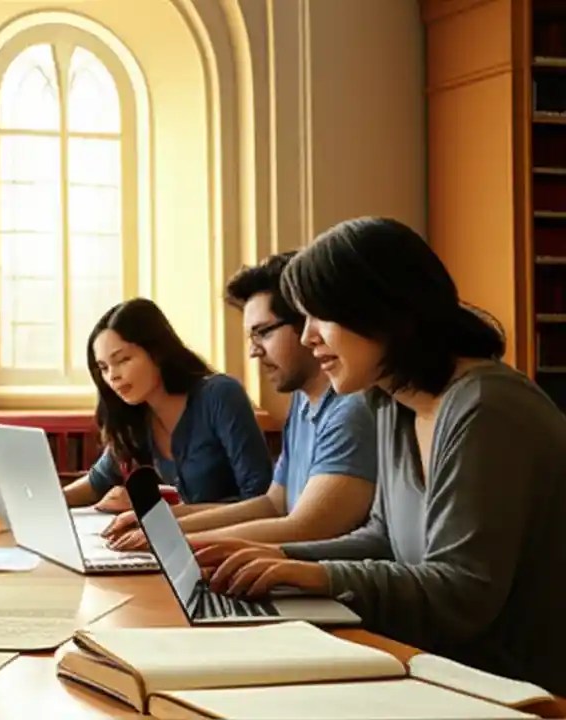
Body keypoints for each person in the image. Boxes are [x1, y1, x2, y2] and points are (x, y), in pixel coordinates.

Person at [197, 217, 566, 695]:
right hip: (445, 669)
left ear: (382, 310)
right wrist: (277, 556)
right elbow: (383, 537)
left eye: (320, 316)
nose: (308, 338)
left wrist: (318, 575)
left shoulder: (486, 408)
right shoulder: (391, 401)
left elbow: (463, 592)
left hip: (521, 690)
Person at [102, 253, 377, 550]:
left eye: (264, 333)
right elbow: (273, 504)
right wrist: (160, 525)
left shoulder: (351, 411)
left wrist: (175, 542)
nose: (253, 351)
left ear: (306, 323)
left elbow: (306, 527)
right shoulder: (302, 402)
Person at [62, 299, 272, 512]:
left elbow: (260, 497)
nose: (112, 376)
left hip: (238, 531)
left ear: (157, 352)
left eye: (123, 360)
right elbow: (97, 482)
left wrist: (157, 513)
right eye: (104, 367)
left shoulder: (220, 395)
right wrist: (49, 503)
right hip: (184, 531)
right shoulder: (136, 418)